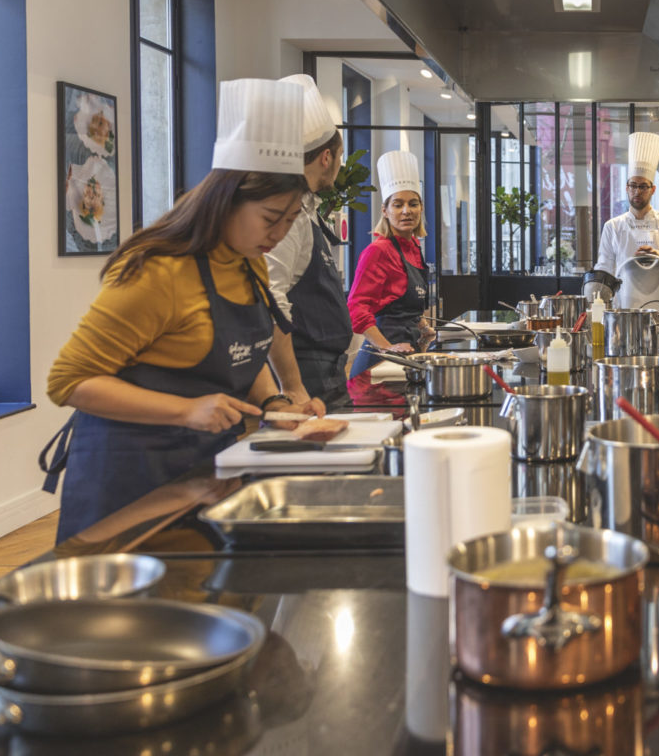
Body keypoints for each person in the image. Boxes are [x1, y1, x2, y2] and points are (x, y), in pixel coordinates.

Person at [42, 79, 314, 541]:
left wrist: (275, 402)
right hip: (127, 476)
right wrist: (185, 411)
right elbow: (68, 382)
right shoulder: (157, 271)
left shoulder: (250, 265)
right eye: (271, 218)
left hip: (207, 472)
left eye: (290, 221)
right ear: (227, 199)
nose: (280, 234)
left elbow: (240, 355)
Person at [266, 74, 351, 410]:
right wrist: (293, 387)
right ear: (327, 157)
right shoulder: (290, 215)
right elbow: (271, 302)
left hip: (324, 372)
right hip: (307, 374)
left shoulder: (307, 209)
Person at [348, 150, 433, 376]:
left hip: (408, 352)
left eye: (413, 203)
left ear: (421, 208)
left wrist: (423, 327)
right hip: (380, 363)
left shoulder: (414, 247)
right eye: (398, 204)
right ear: (385, 211)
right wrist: (386, 346)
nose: (406, 211)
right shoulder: (377, 251)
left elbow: (404, 305)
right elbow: (357, 307)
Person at [591, 132, 659, 307]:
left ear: (653, 189)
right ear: (627, 188)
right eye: (633, 185)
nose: (637, 191)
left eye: (643, 186)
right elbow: (604, 268)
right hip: (623, 309)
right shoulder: (612, 226)